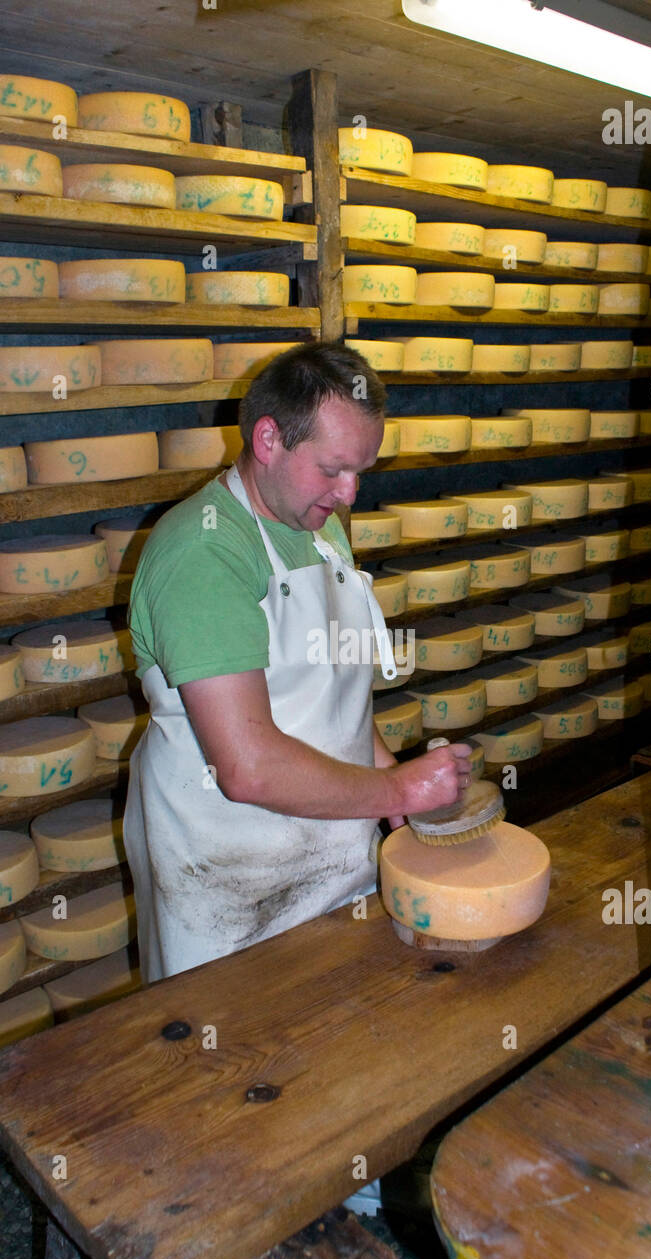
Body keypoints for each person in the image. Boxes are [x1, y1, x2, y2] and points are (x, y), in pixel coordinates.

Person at [124, 341, 470, 984]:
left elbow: (329, 690)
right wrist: (396, 789)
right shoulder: (203, 556)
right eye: (334, 469)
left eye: (361, 470)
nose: (349, 494)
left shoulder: (317, 524)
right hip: (230, 887)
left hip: (335, 864)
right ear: (268, 439)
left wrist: (399, 788)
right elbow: (248, 768)